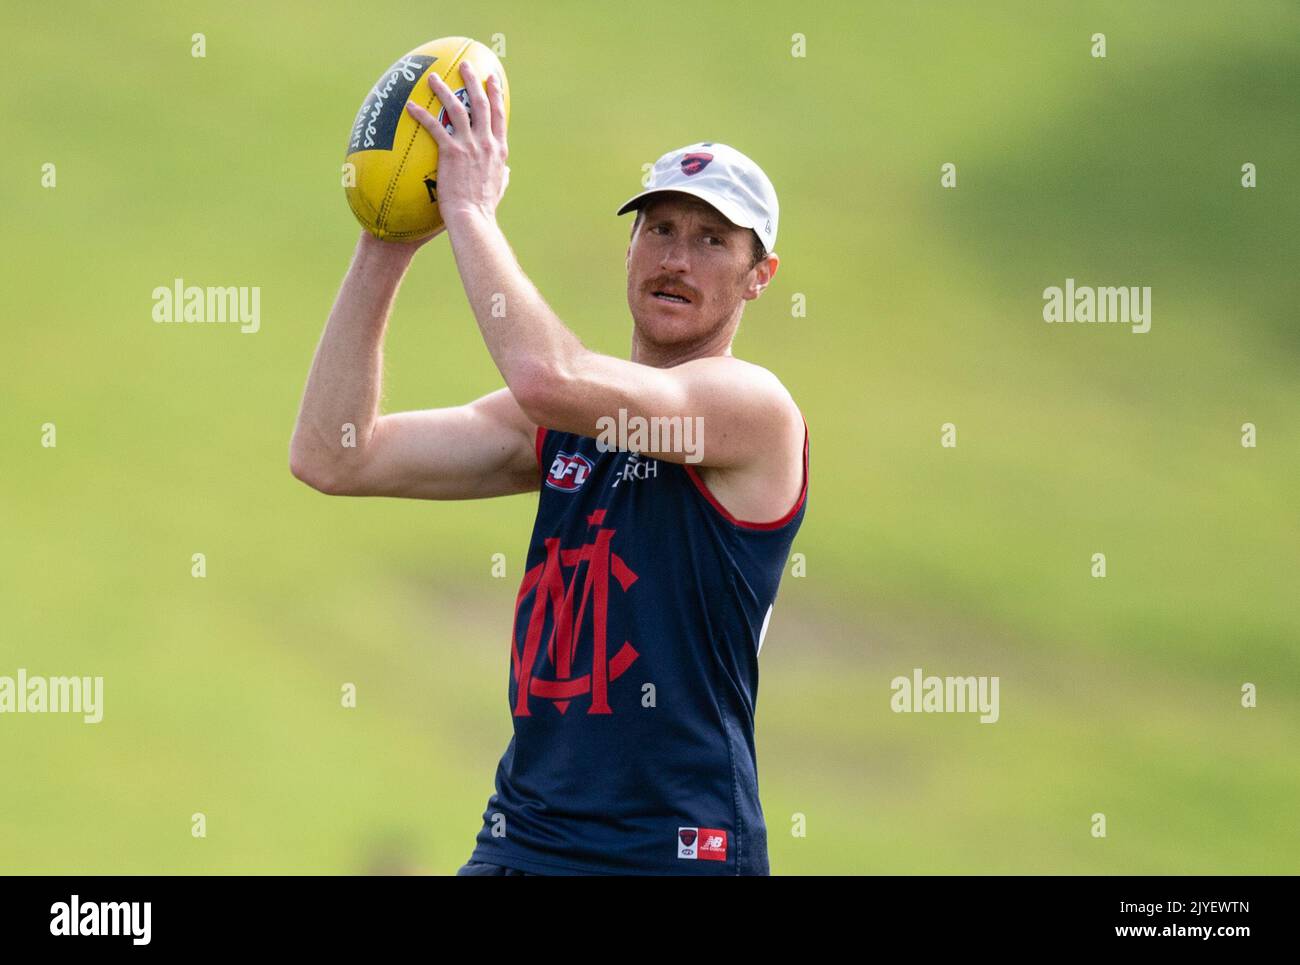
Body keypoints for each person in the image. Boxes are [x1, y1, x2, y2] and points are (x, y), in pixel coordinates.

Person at [290, 60, 808, 875]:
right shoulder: (566, 421)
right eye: (660, 229)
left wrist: (466, 206)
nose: (678, 257)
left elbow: (546, 377)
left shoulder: (752, 408)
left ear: (759, 276)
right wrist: (387, 238)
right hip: (523, 839)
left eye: (714, 240)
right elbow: (333, 454)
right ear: (630, 244)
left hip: (669, 851)